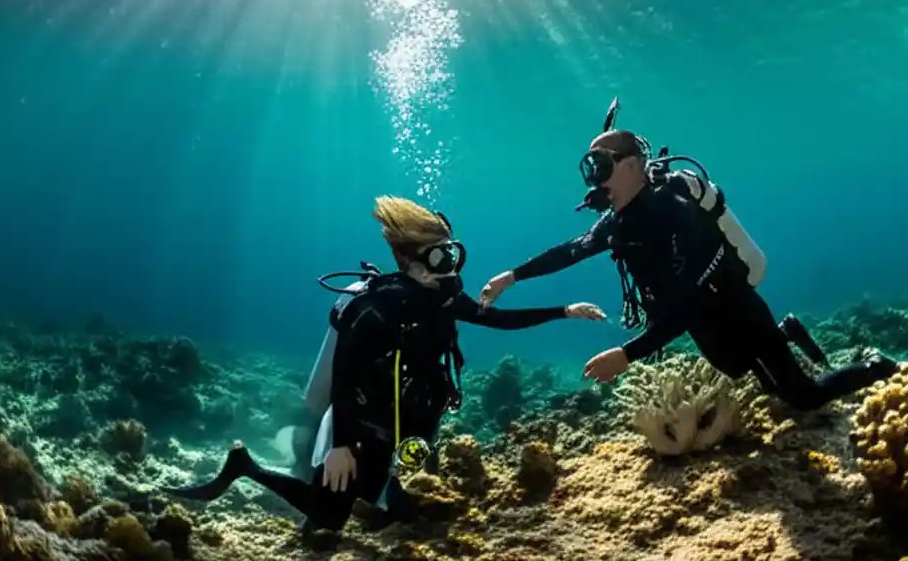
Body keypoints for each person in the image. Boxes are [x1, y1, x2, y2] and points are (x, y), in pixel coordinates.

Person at [164, 196, 605, 537]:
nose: (449, 269)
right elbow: (345, 374)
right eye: (437, 258)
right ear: (408, 260)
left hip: (406, 416)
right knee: (330, 517)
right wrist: (339, 445)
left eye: (452, 255)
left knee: (384, 500)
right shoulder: (376, 310)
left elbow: (497, 319)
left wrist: (564, 310)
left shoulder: (443, 295)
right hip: (361, 421)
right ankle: (245, 467)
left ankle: (381, 493)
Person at [478, 104, 897, 412]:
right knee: (743, 371)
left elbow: (683, 306)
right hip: (700, 319)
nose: (593, 177)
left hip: (730, 303)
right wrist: (510, 277)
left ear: (630, 167)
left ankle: (878, 365)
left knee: (801, 397)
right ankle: (783, 334)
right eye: (590, 166)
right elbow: (571, 251)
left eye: (600, 165)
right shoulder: (617, 222)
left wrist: (626, 355)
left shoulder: (673, 210)